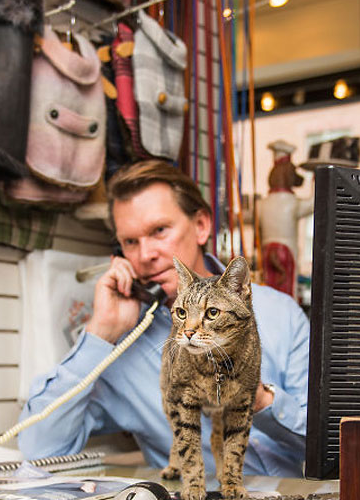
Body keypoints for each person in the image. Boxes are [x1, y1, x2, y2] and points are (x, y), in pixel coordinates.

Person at [17, 160, 310, 477]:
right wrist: (101, 333)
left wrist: (259, 399)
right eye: (131, 242)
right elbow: (38, 449)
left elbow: (328, 445)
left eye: (159, 231)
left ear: (200, 226)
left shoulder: (281, 312)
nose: (145, 255)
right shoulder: (120, 347)